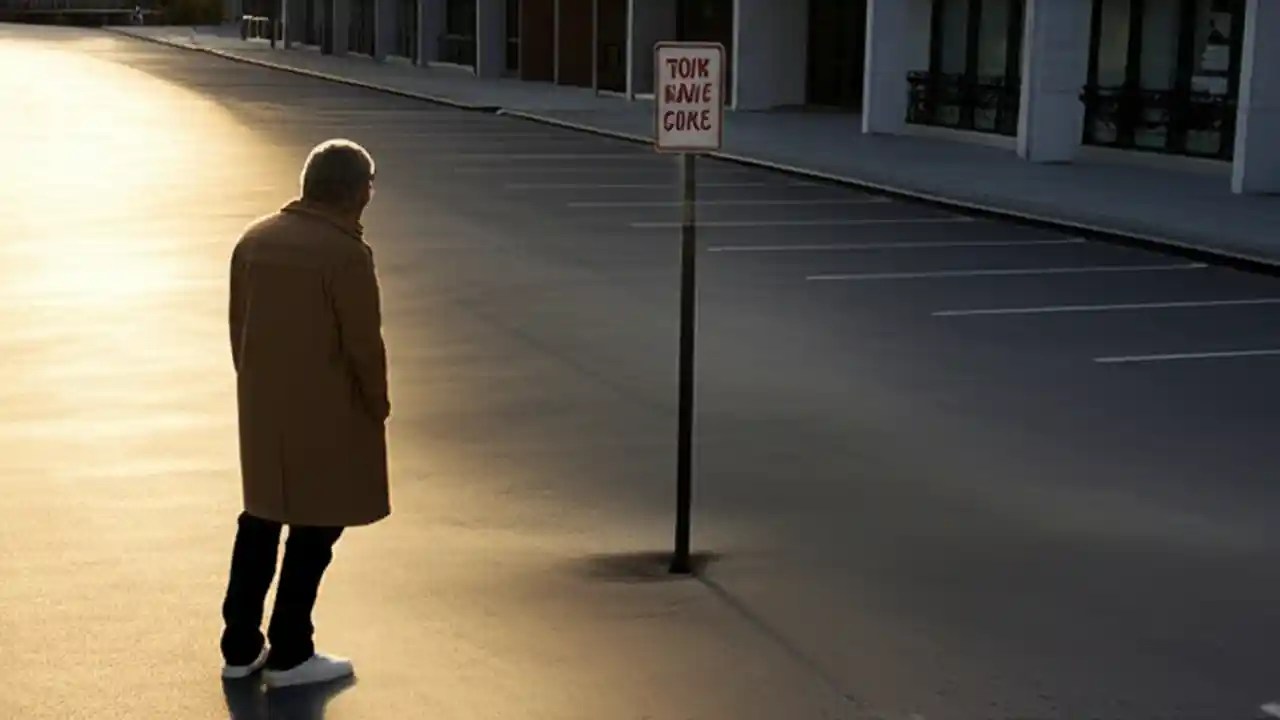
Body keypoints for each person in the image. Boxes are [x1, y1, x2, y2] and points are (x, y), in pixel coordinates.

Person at [220, 139, 391, 688]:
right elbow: (364, 343)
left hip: (265, 411)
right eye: (370, 183)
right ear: (354, 191)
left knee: (261, 518)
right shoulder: (344, 253)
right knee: (316, 528)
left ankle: (240, 644)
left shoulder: (255, 240)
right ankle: (292, 647)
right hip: (328, 411)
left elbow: (237, 327)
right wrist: (377, 402)